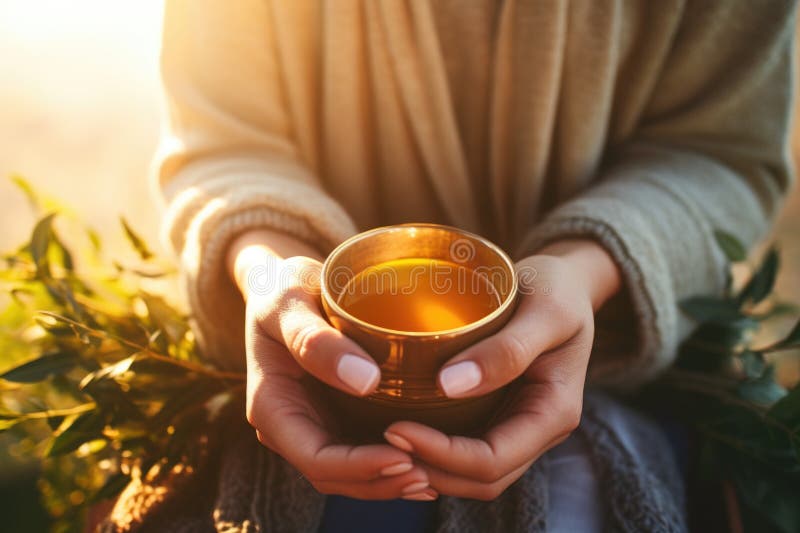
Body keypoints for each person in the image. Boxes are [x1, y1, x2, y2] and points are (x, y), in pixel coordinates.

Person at [102, 1, 796, 532]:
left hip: (618, 354)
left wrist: (585, 273)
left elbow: (719, 153)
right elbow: (222, 140)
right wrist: (270, 266)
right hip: (301, 376)